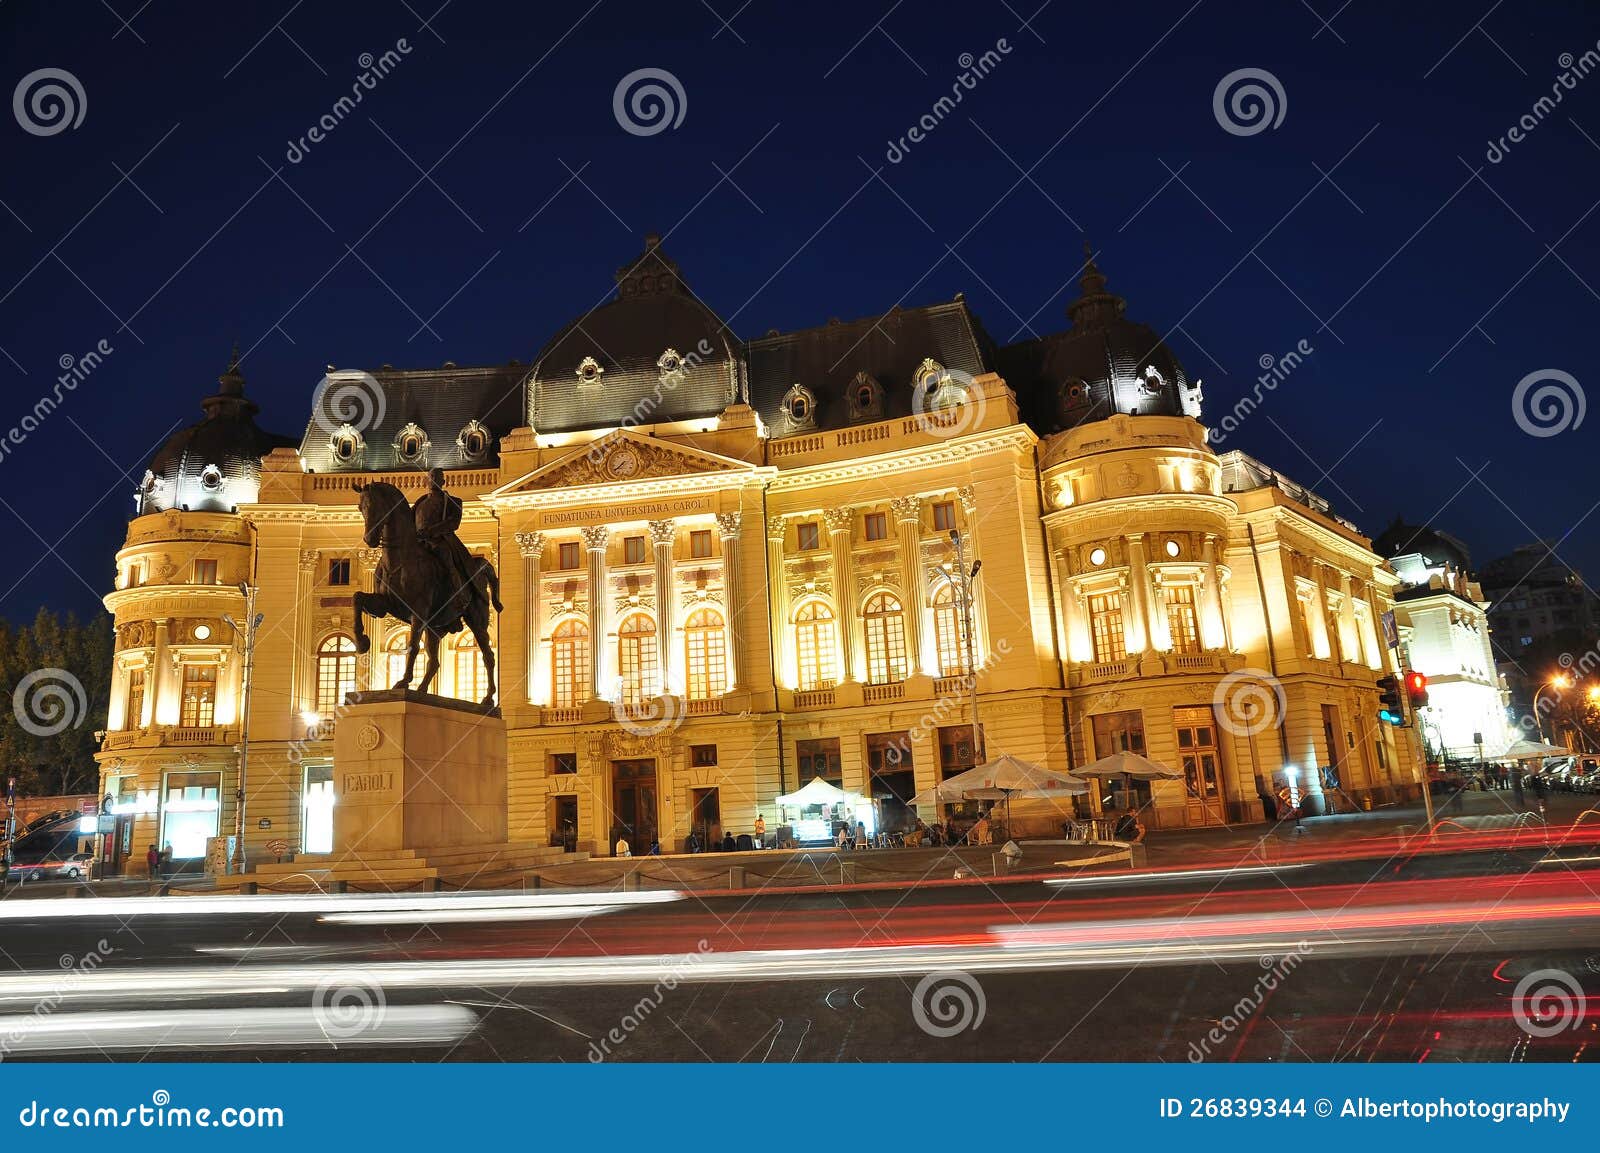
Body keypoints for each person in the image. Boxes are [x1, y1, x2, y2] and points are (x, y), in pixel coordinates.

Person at [413, 468, 500, 611]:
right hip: (420, 542)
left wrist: (430, 531)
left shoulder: (453, 502)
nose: (433, 480)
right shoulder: (420, 503)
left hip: (441, 540)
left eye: (437, 477)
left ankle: (459, 595)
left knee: (446, 557)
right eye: (431, 477)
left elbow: (453, 523)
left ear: (443, 482)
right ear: (426, 481)